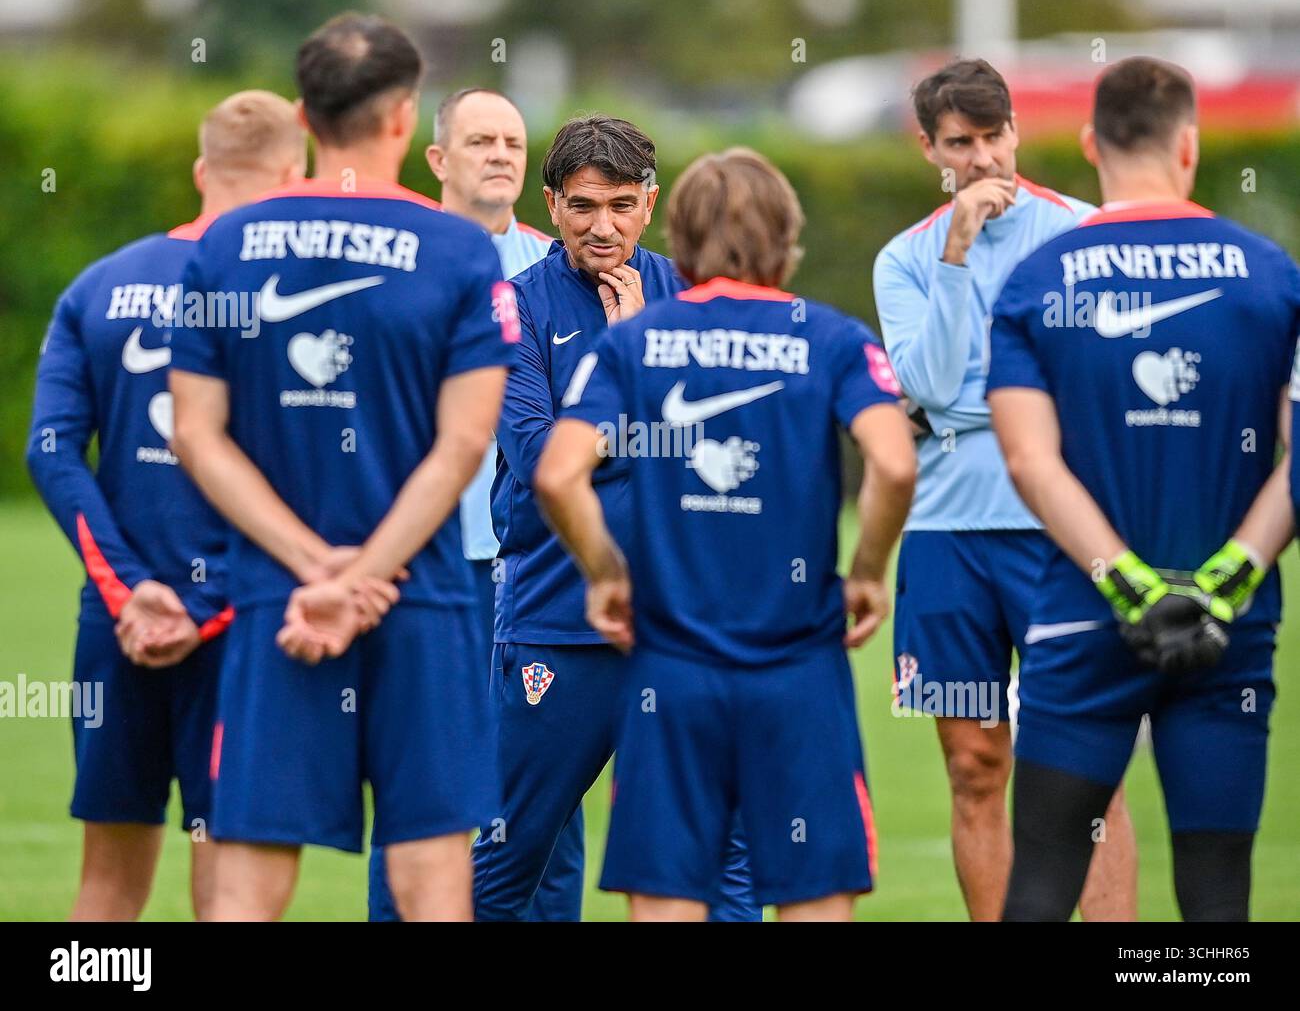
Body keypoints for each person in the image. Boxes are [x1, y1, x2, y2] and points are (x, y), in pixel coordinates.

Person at [168, 13, 515, 921]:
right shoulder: (460, 251)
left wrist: (313, 568)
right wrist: (361, 571)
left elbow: (197, 438)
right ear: (405, 119)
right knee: (432, 880)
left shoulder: (222, 246)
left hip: (273, 599)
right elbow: (465, 446)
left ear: (301, 114)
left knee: (247, 879)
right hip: (425, 599)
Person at [535, 147, 916, 920]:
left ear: (673, 229)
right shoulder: (832, 336)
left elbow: (554, 474)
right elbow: (896, 462)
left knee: (671, 893)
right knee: (812, 893)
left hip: (671, 671)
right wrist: (869, 571)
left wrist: (606, 575)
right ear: (788, 237)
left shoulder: (632, 342)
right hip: (798, 667)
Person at [988, 56, 1297, 921]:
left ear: (1091, 143)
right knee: (1216, 894)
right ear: (1191, 145)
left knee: (1043, 883)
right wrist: (1220, 582)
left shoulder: (1036, 281)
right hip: (1228, 629)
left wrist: (1130, 586)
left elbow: (1029, 462)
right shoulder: (1273, 275)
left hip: (1084, 621)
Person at [26, 90, 305, 920]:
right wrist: (207, 601)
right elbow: (312, 475)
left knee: (104, 890)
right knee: (228, 887)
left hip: (118, 627)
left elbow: (49, 453)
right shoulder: (287, 300)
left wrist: (130, 593)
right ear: (292, 176)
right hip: (243, 625)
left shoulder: (97, 286)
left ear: (199, 169)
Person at [872, 58, 1136, 920]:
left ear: (1017, 131)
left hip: (1061, 528)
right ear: (929, 149)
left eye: (996, 137)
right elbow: (935, 384)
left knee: (1086, 765)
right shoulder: (905, 259)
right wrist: (957, 252)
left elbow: (1105, 377)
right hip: (948, 535)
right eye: (961, 144)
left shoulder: (1087, 231)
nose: (983, 159)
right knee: (973, 764)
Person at [476, 114, 757, 921]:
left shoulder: (695, 291)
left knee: (724, 856)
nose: (604, 226)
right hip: (563, 622)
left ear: (652, 203)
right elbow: (536, 460)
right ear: (553, 201)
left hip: (690, 625)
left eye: (623, 205)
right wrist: (634, 364)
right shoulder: (513, 307)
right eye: (584, 205)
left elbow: (727, 452)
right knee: (509, 853)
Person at [366, 86, 581, 922]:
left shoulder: (558, 267)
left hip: (531, 562)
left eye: (514, 143)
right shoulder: (393, 258)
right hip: (428, 559)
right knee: (419, 785)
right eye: (481, 139)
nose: (500, 154)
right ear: (437, 159)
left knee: (548, 800)